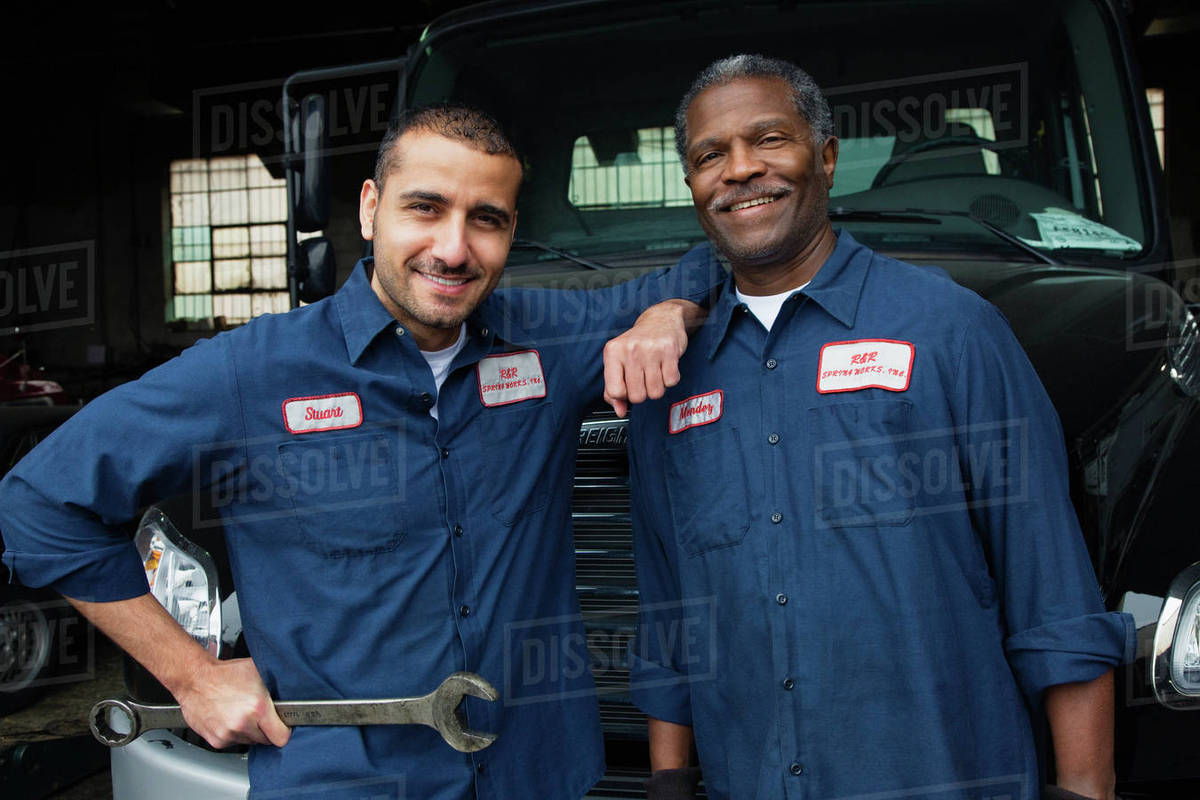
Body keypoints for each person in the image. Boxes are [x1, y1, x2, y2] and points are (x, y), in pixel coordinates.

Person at [0, 105, 715, 799]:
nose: (454, 248)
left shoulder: (549, 339)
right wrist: (191, 674)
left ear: (512, 230)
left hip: (533, 773)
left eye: (486, 220)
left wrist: (667, 312)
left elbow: (724, 257)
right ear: (371, 208)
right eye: (425, 209)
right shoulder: (250, 374)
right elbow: (37, 503)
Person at [623, 55, 1133, 800]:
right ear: (692, 186)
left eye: (769, 139)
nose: (738, 170)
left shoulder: (951, 330)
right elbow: (669, 608)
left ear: (826, 157)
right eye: (709, 155)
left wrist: (1085, 789)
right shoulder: (669, 380)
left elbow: (1051, 588)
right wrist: (669, 781)